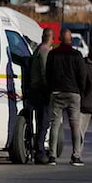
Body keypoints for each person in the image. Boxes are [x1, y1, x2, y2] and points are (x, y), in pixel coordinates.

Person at [44, 28, 88, 166]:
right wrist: (80, 91)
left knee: (55, 125)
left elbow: (47, 74)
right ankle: (76, 156)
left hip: (57, 92)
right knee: (75, 126)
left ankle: (52, 156)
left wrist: (51, 89)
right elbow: (82, 75)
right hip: (73, 93)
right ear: (70, 39)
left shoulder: (52, 54)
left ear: (60, 39)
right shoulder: (77, 55)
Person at [26, 27, 54, 163]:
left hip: (34, 89)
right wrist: (49, 88)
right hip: (41, 90)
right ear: (51, 38)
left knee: (39, 121)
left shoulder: (37, 49)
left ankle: (37, 149)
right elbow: (45, 71)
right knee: (43, 123)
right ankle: (40, 152)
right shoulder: (44, 51)